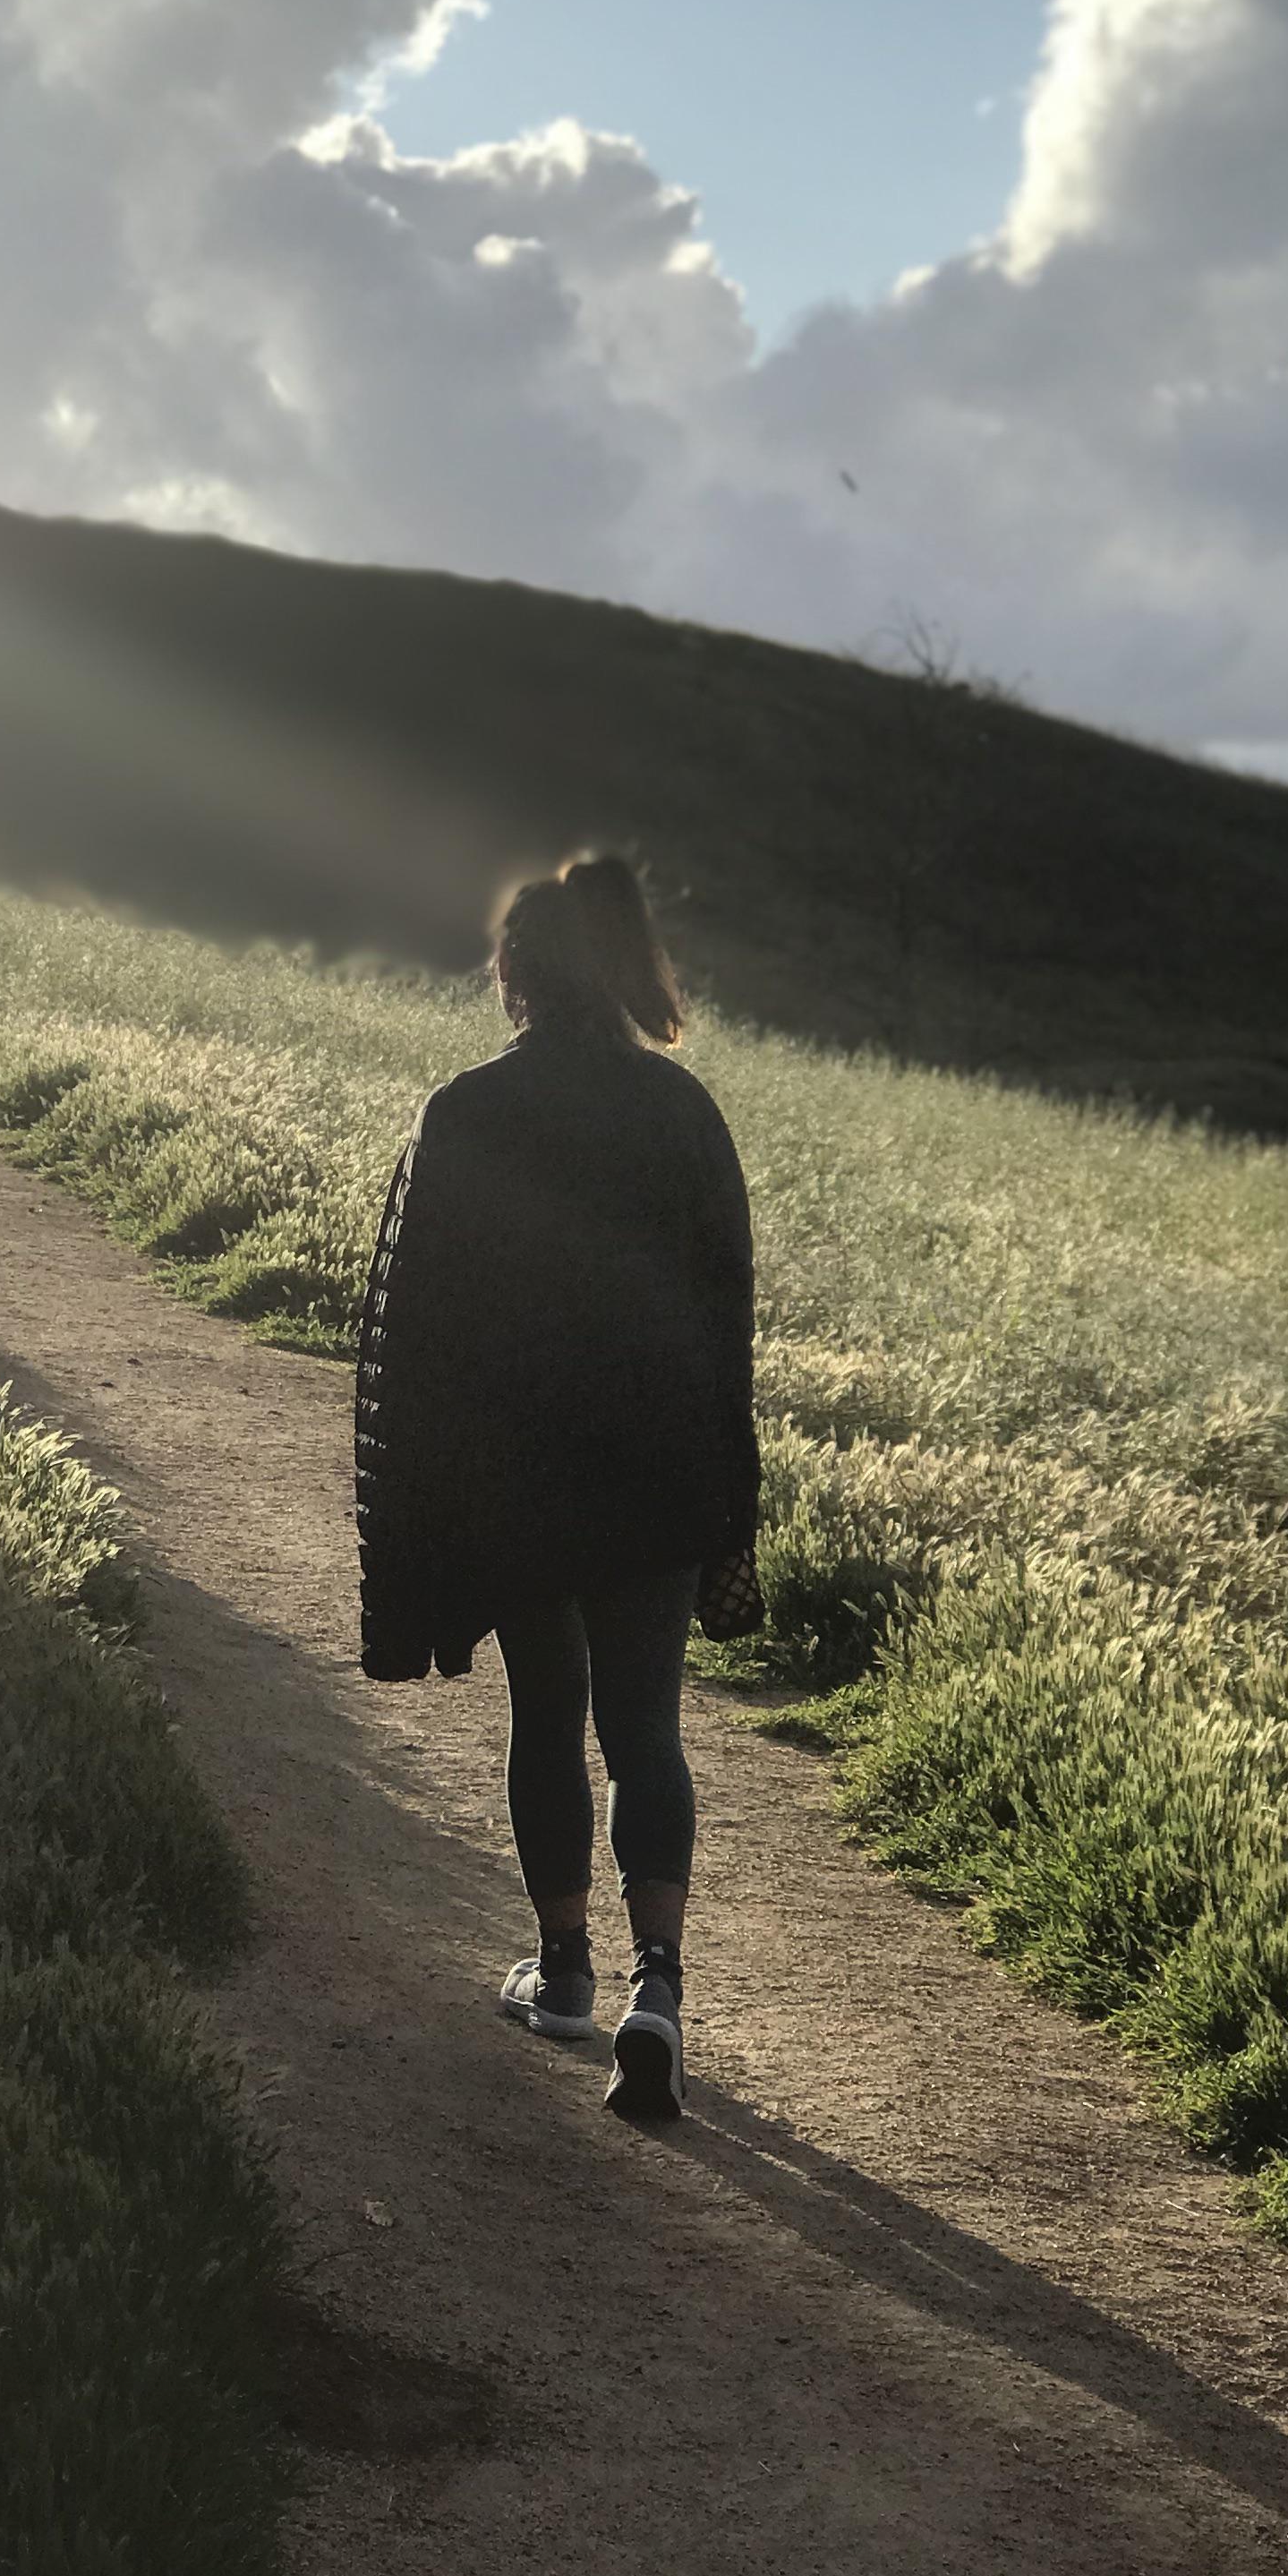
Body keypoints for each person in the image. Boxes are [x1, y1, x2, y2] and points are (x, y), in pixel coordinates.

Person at [354, 853, 761, 2121]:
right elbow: (726, 1311)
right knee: (647, 1728)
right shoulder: (683, 1112)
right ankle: (662, 1987)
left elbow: (413, 1325)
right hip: (658, 1467)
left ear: (515, 973)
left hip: (522, 1473)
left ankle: (568, 1973)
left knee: (550, 1710)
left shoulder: (467, 1111)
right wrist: (725, 1486)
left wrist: (423, 1504)